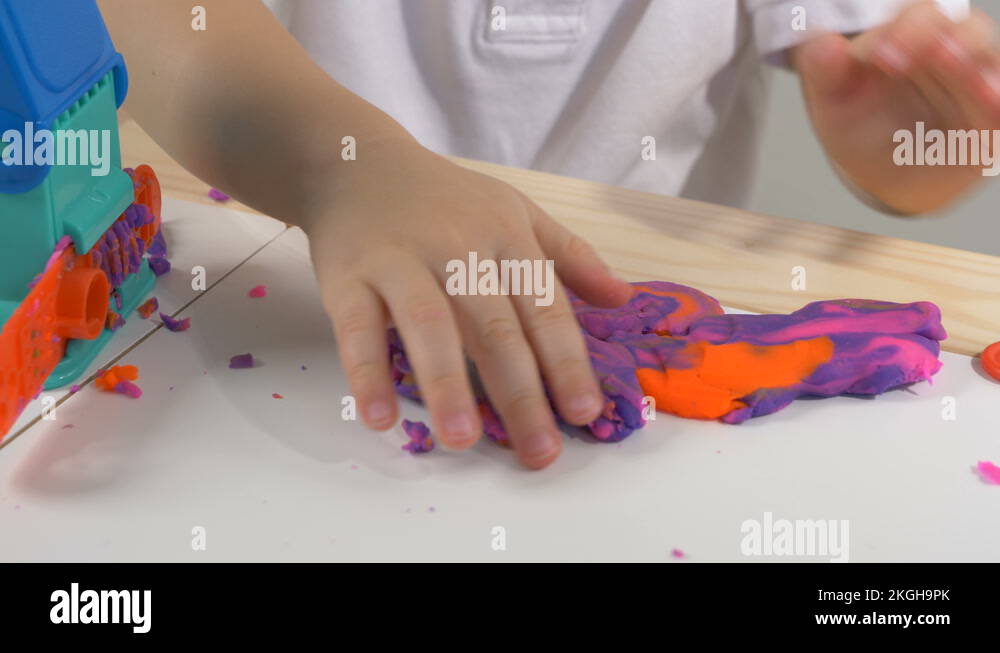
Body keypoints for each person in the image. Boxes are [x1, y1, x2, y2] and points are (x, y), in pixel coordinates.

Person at [98, 0, 997, 468]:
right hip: (317, 274)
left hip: (635, 312)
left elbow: (899, 153)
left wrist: (914, 131)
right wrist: (341, 165)